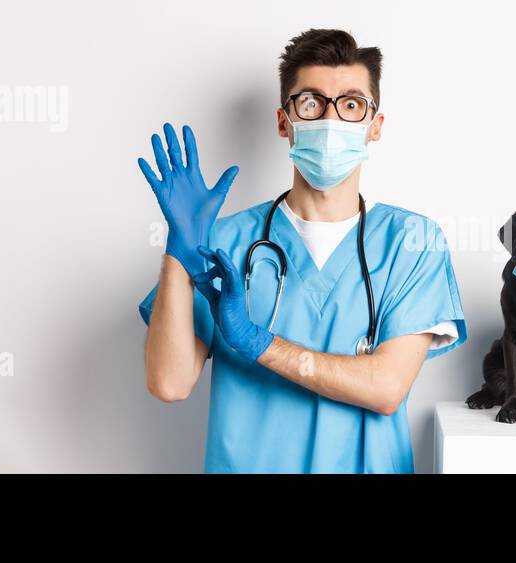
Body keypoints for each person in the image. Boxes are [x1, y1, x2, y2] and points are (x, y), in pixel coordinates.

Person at [135, 29, 467, 473]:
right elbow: (169, 383)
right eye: (310, 102)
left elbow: (386, 388)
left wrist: (258, 343)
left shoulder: (411, 241)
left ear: (375, 126)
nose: (330, 120)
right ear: (283, 120)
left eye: (351, 104)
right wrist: (179, 251)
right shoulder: (223, 241)